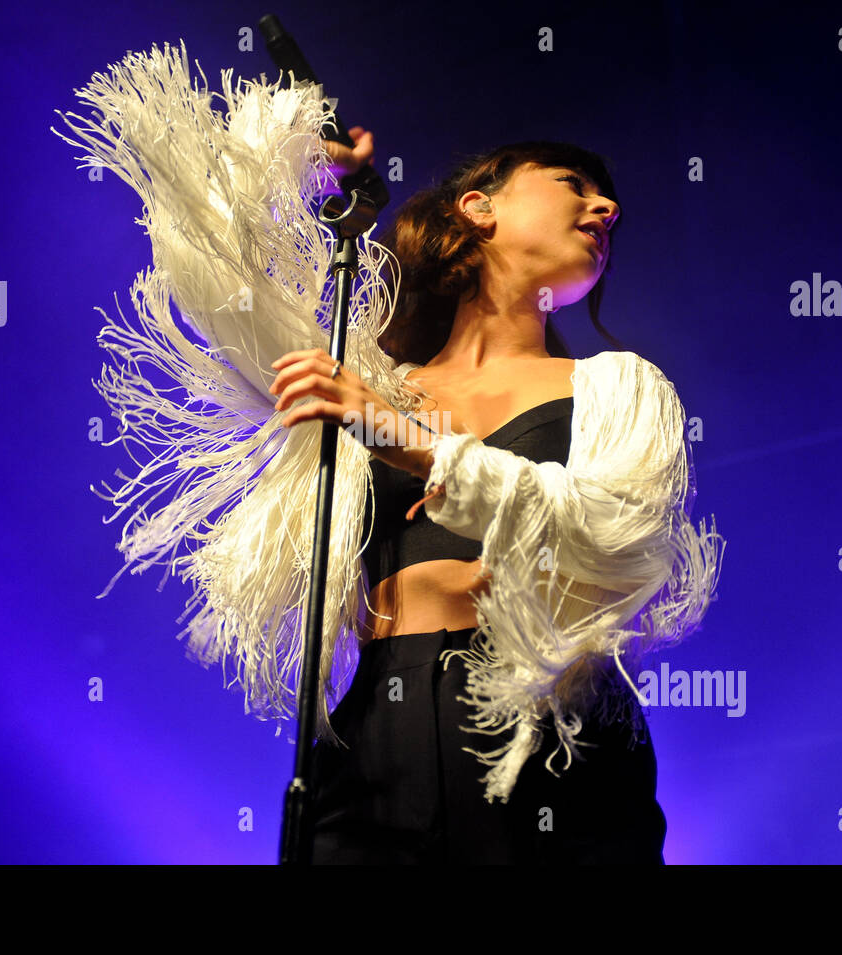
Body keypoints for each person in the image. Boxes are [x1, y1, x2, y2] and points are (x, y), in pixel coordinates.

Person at [52, 39, 724, 865]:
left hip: (547, 729)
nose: (606, 209)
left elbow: (618, 534)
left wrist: (406, 440)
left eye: (610, 202)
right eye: (574, 186)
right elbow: (220, 281)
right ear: (478, 207)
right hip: (375, 726)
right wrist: (296, 166)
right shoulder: (373, 378)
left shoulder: (615, 384)